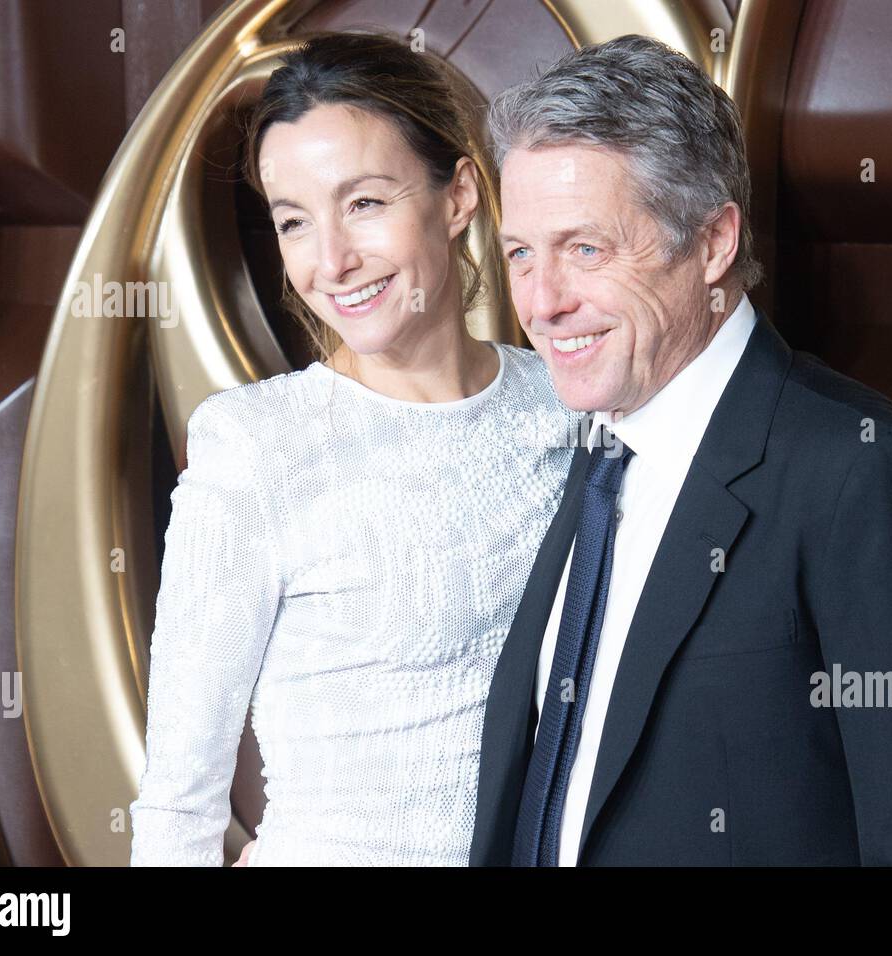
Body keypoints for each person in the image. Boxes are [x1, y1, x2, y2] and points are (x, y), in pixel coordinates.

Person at [470, 34, 892, 866]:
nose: (542, 303)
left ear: (712, 243)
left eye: (585, 249)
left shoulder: (870, 477)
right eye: (521, 254)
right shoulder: (595, 454)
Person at [128, 31, 578, 866]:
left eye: (364, 203)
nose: (330, 260)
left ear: (458, 196)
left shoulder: (566, 407)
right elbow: (178, 796)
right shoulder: (256, 448)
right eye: (293, 222)